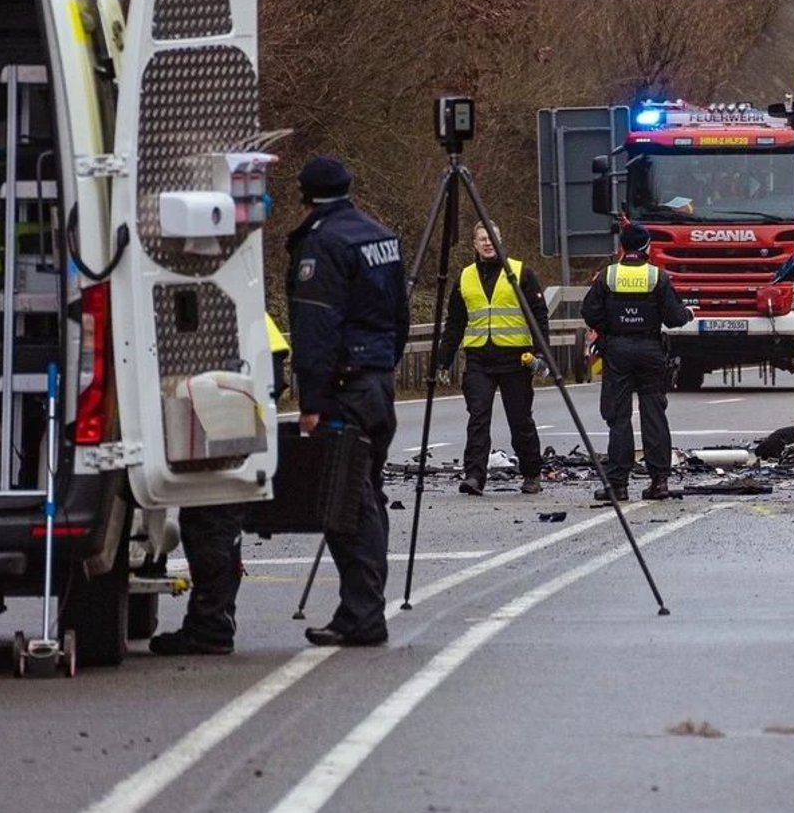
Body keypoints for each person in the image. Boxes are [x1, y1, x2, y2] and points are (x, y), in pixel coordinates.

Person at [287, 155, 409, 647]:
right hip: (377, 381)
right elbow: (400, 315)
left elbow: (317, 326)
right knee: (366, 497)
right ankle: (361, 610)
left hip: (345, 387)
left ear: (305, 193)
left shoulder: (324, 243)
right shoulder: (379, 236)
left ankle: (362, 615)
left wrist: (312, 400)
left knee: (348, 504)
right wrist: (385, 364)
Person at [150, 314, 291, 656]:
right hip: (239, 395)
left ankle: (211, 626)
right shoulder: (237, 299)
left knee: (209, 520)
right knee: (217, 520)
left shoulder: (212, 307)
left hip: (229, 401)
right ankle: (214, 620)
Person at [436, 222, 550, 496]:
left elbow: (539, 316)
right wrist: (443, 360)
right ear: (474, 244)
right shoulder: (465, 278)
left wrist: (542, 355)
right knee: (478, 417)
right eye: (482, 239)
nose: (488, 244)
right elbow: (454, 324)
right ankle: (475, 475)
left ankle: (532, 473)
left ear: (501, 241)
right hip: (479, 360)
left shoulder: (521, 273)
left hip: (515, 360)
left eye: (492, 239)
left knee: (520, 419)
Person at [581, 222, 691, 501]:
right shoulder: (657, 277)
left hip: (617, 350)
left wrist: (609, 330)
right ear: (647, 247)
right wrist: (687, 313)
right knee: (654, 414)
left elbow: (589, 311)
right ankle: (659, 482)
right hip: (651, 350)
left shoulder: (608, 276)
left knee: (619, 417)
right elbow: (674, 318)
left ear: (622, 247)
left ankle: (617, 484)